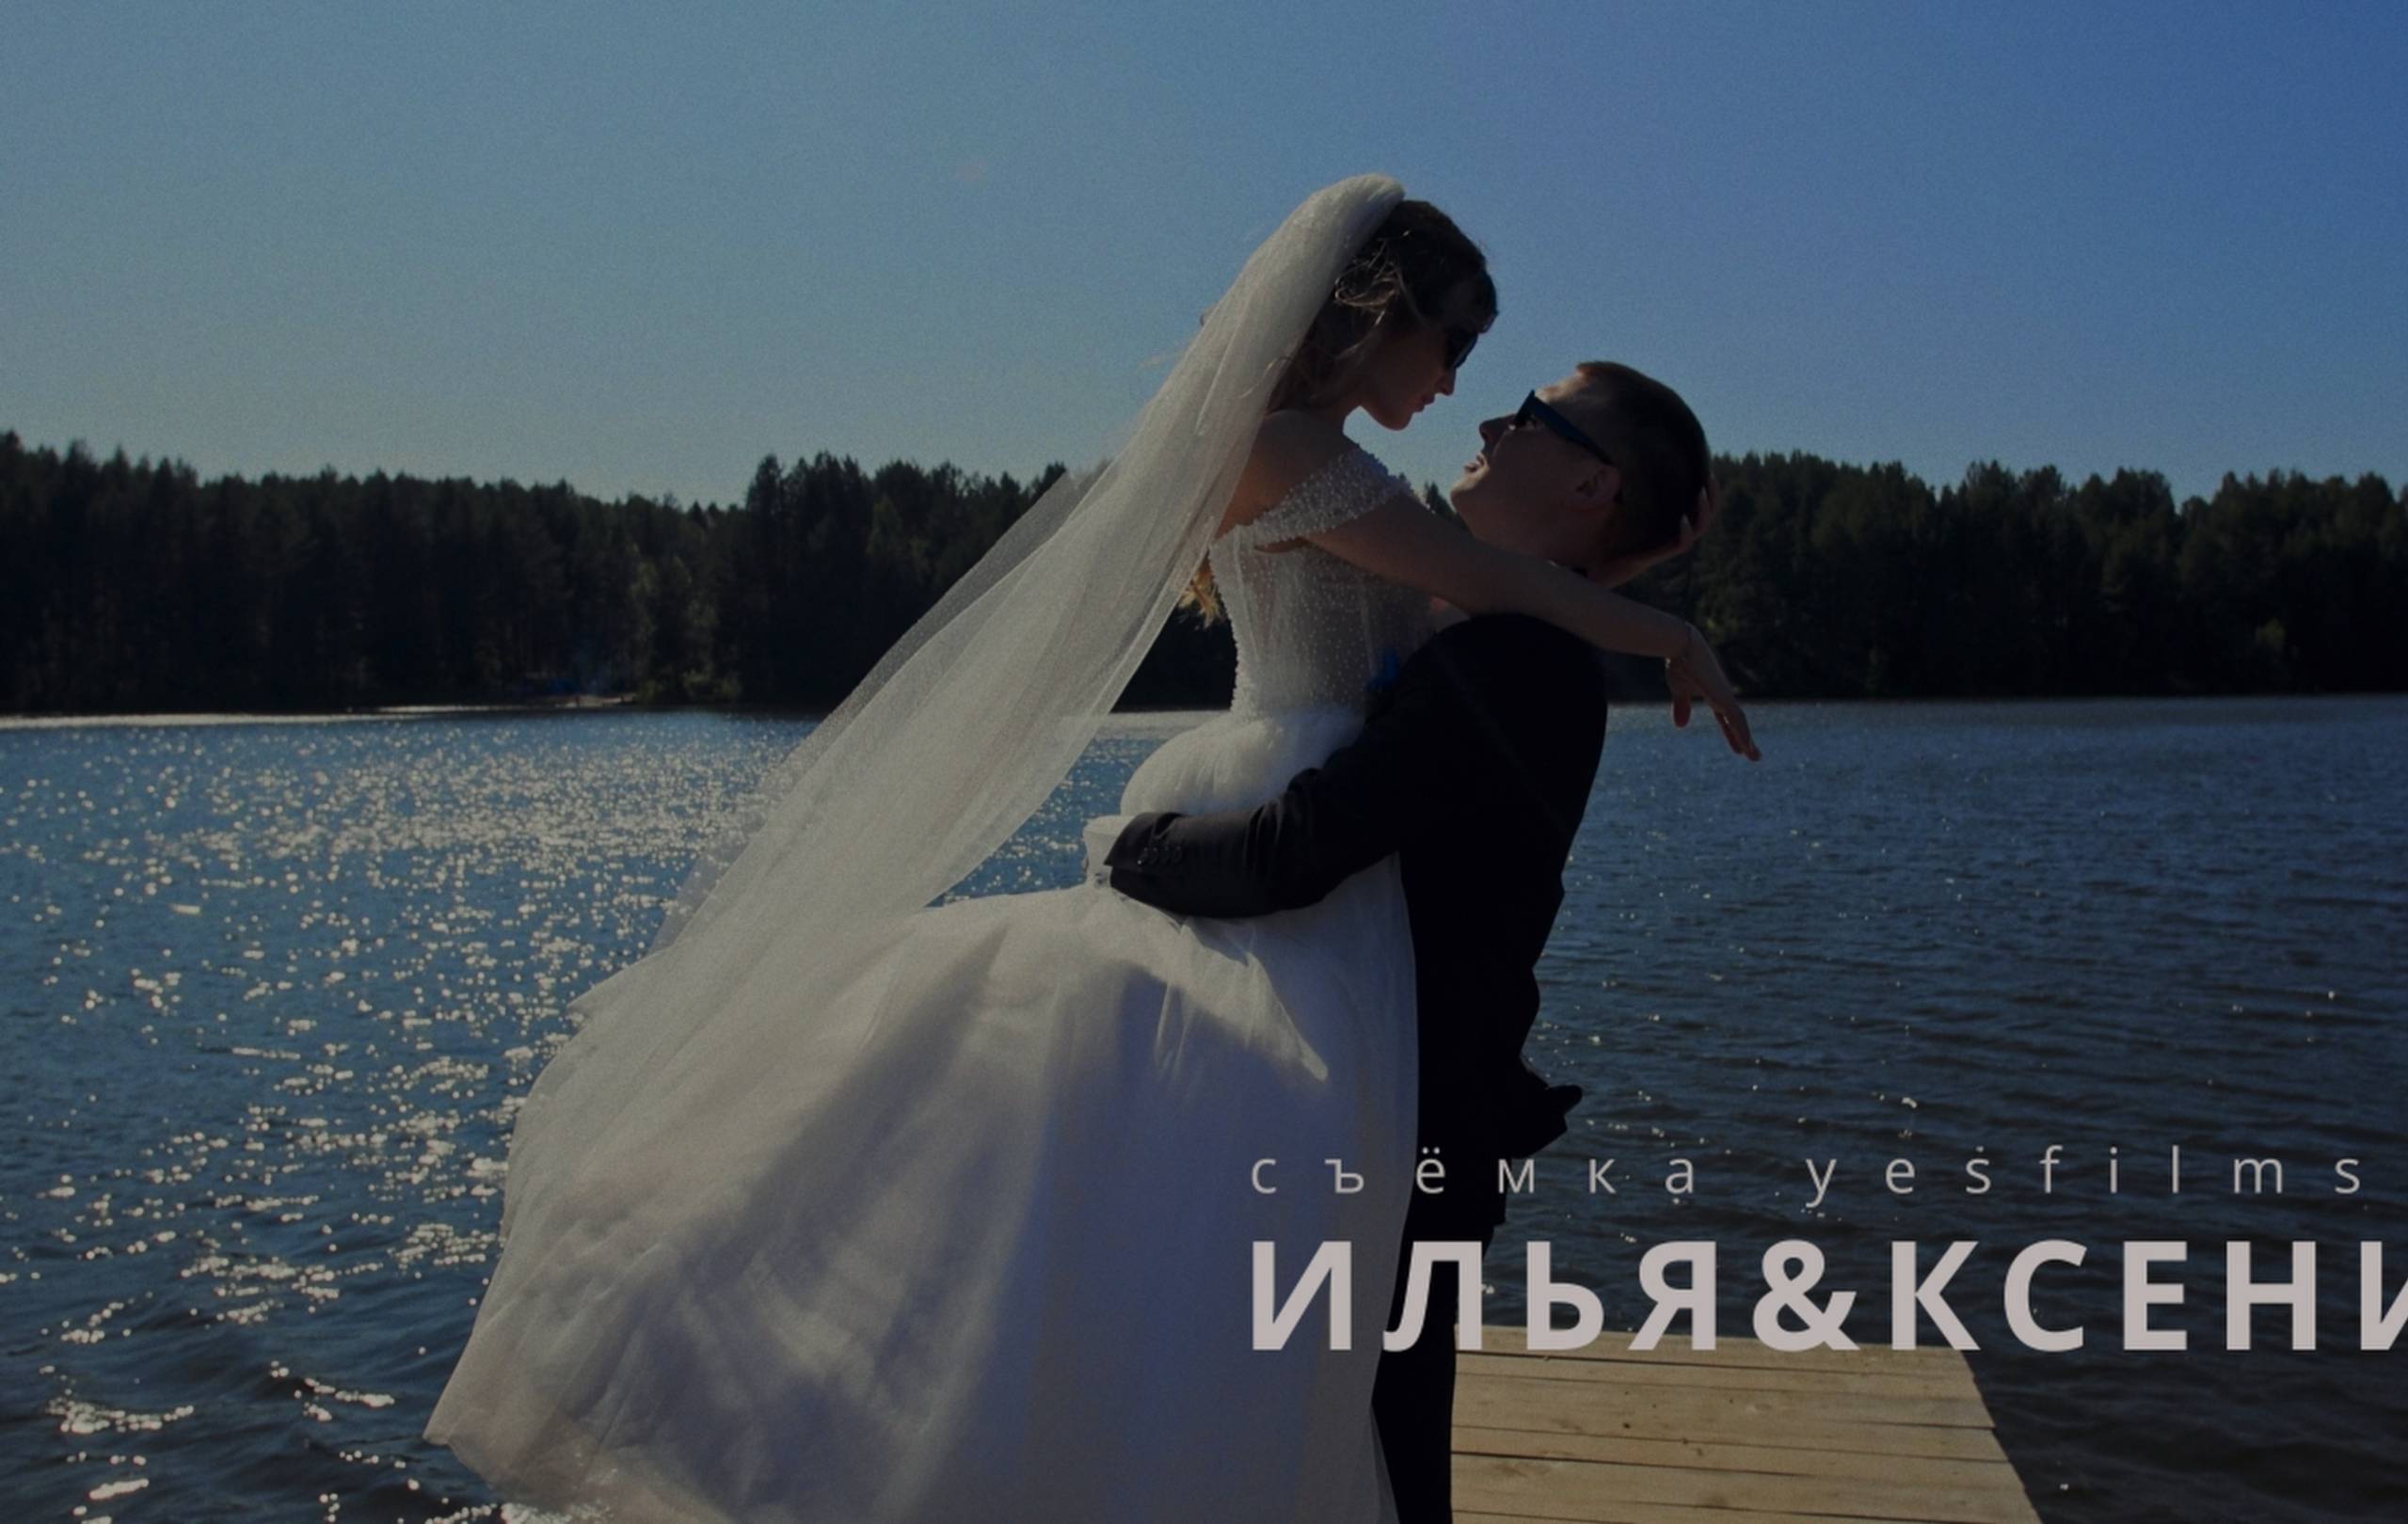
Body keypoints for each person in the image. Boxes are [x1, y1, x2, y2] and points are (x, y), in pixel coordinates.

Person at [420, 175, 1750, 1523]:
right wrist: (1661, 624)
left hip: (1316, 863)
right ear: (1376, 314)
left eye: (1490, 375)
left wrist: (1628, 577)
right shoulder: (1292, 450)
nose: (1463, 386)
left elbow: (1494, 611)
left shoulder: (1362, 489)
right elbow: (1493, 596)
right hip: (1284, 840)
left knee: (1230, 1274)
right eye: (1453, 341)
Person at [1097, 360, 1718, 1524]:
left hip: (1406, 1126)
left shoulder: (1512, 666)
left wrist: (1129, 854)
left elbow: (1298, 848)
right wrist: (1613, 578)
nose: (1488, 420)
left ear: (1591, 482)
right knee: (1357, 1445)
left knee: (1379, 1454)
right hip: (1392, 1111)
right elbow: (1498, 601)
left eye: (1529, 415)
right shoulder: (1511, 643)